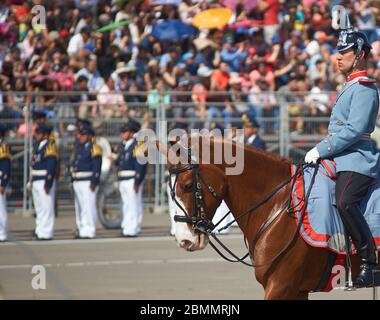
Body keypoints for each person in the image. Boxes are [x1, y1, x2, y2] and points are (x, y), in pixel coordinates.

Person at [304, 28, 380, 288]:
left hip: (357, 159)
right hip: (340, 156)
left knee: (346, 201)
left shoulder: (365, 89)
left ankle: (369, 263)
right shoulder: (349, 87)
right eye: (338, 52)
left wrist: (320, 149)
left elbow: (354, 130)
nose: (338, 57)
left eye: (344, 52)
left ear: (359, 55)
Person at [114, 120, 147, 237]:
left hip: (132, 178)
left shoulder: (138, 144)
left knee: (133, 204)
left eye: (125, 131)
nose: (122, 134)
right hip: (123, 178)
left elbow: (141, 164)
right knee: (126, 204)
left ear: (132, 132)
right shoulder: (124, 145)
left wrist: (138, 181)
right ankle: (126, 227)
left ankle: (132, 228)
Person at [72, 123, 102, 239]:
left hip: (88, 181)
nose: (81, 137)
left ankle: (89, 230)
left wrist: (94, 181)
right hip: (78, 180)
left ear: (90, 136)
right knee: (80, 207)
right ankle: (81, 228)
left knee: (88, 207)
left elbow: (96, 166)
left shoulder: (95, 148)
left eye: (84, 135)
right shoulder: (79, 147)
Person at [31, 124, 58, 240]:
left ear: (45, 135)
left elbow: (51, 166)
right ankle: (40, 230)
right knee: (39, 208)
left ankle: (46, 232)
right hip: (36, 179)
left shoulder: (50, 146)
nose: (36, 135)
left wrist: (48, 183)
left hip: (43, 180)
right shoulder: (38, 147)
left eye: (39, 133)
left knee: (46, 207)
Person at [0, 124, 11, 242]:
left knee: (0, 208)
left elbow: (6, 166)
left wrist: (3, 183)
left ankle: (2, 234)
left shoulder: (3, 146)